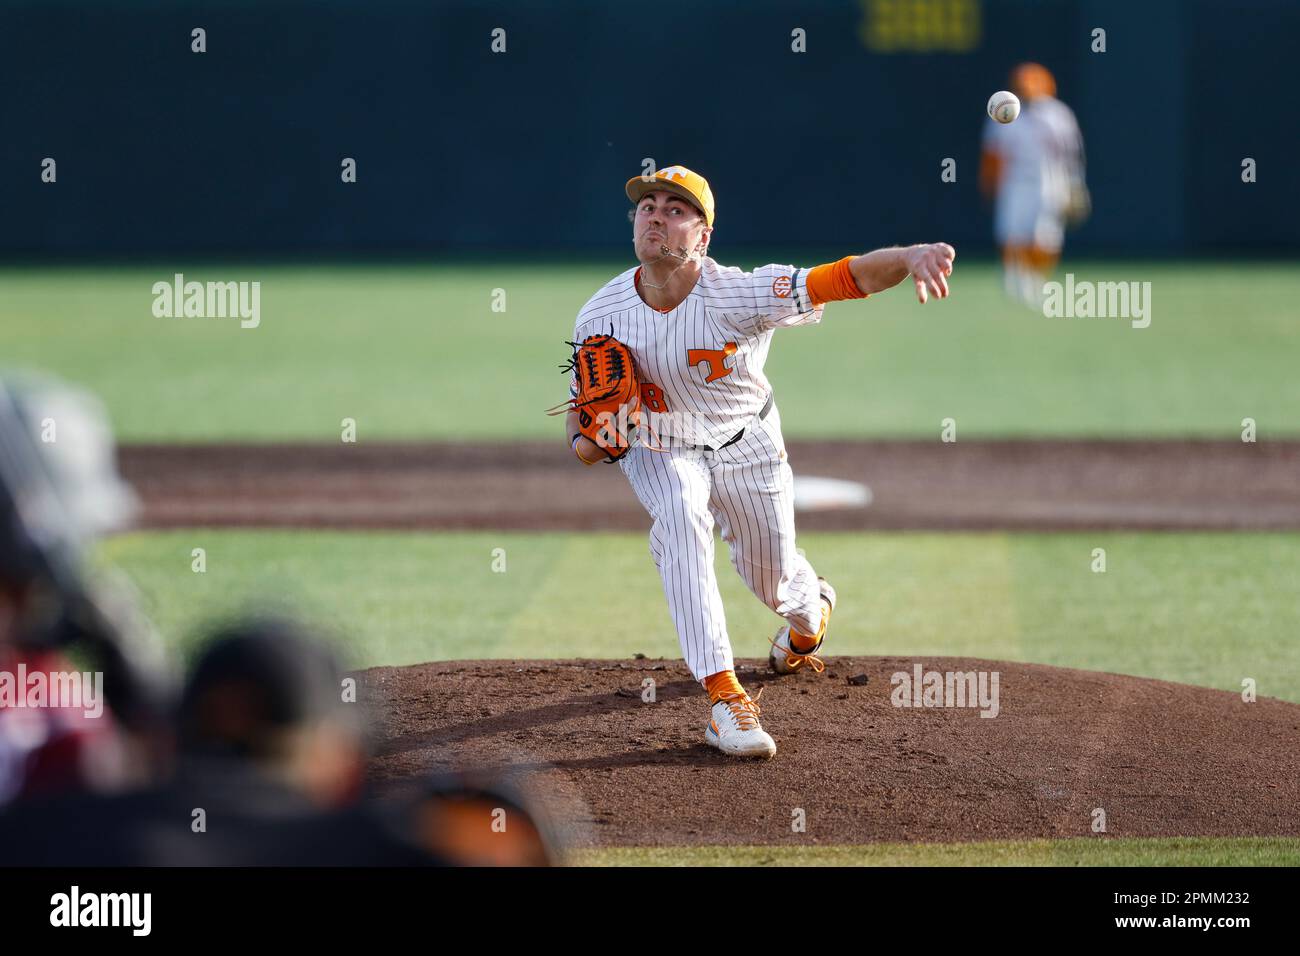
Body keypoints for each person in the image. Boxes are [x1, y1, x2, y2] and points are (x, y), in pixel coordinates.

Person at [563, 166, 954, 758]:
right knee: (680, 519)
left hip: (747, 442)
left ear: (704, 235)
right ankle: (726, 700)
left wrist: (912, 254)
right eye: (648, 206)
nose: (656, 216)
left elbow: (842, 279)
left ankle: (809, 612)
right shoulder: (601, 314)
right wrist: (586, 443)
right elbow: (580, 420)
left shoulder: (741, 293)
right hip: (661, 446)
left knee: (771, 580)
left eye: (676, 209)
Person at [980, 62, 1088, 306]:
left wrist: (1075, 184)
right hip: (1015, 181)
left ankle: (1036, 279)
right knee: (1010, 233)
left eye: (1031, 82)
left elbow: (1071, 154)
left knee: (1045, 237)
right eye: (1021, 82)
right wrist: (990, 184)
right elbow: (993, 155)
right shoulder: (1002, 114)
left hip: (1050, 181)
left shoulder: (1058, 115)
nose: (1026, 87)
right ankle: (1013, 278)